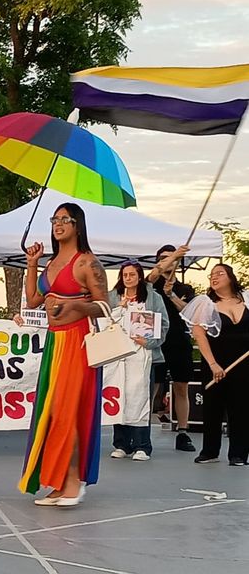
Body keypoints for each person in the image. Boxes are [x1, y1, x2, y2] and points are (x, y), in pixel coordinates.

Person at [19, 203, 109, 507]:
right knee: (53, 412)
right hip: (54, 342)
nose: (58, 224)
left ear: (77, 226)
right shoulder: (51, 262)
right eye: (54, 219)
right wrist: (32, 264)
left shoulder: (87, 262)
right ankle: (57, 483)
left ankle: (73, 482)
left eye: (65, 219)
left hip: (77, 340)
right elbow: (33, 300)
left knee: (67, 410)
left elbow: (104, 306)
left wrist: (76, 306)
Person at [181, 264, 249, 466]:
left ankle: (239, 454)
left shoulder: (246, 299)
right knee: (213, 407)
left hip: (244, 364)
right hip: (215, 362)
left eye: (220, 273)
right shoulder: (206, 303)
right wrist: (213, 364)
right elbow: (199, 335)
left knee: (242, 408)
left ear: (231, 277)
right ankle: (210, 451)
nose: (214, 277)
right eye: (211, 275)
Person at [107, 260, 169, 461]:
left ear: (140, 276)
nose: (128, 278)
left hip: (142, 355)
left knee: (141, 398)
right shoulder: (113, 296)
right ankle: (121, 444)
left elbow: (164, 323)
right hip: (118, 356)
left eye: (132, 274)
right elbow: (103, 321)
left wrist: (150, 342)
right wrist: (119, 308)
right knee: (120, 398)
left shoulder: (152, 297)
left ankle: (142, 445)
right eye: (125, 275)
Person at [146, 244, 197, 451]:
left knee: (181, 387)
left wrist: (171, 295)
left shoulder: (186, 289)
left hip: (179, 342)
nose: (166, 262)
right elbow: (151, 276)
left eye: (170, 258)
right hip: (156, 342)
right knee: (152, 387)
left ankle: (183, 432)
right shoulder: (151, 285)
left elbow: (191, 313)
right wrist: (174, 254)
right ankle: (143, 433)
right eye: (162, 258)